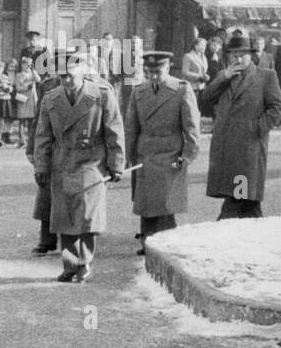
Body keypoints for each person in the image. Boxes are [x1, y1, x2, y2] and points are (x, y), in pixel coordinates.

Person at [32, 45, 125, 282]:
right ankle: (70, 264)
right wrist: (41, 166)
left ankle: (84, 263)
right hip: (62, 162)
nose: (66, 81)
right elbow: (43, 135)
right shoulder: (51, 98)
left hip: (91, 162)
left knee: (86, 217)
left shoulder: (102, 94)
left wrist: (116, 164)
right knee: (65, 216)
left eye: (70, 76)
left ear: (81, 71)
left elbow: (114, 131)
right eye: (61, 76)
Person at [124, 51, 201, 255]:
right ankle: (148, 242)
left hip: (170, 154)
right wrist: (128, 156)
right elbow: (131, 127)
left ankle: (165, 245)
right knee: (146, 202)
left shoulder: (181, 90)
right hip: (145, 153)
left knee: (166, 203)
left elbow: (192, 127)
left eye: (157, 71)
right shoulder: (138, 91)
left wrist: (187, 155)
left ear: (167, 68)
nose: (153, 76)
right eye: (148, 72)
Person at [201, 29, 281, 219]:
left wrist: (256, 128)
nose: (237, 59)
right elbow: (206, 97)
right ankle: (260, 243)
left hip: (248, 150)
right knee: (247, 203)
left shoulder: (265, 76)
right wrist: (223, 77)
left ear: (251, 55)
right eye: (234, 55)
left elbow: (276, 108)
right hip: (226, 149)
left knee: (237, 198)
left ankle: (221, 238)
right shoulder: (226, 76)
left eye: (242, 55)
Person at [25, 57, 63, 255]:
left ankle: (70, 239)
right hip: (49, 147)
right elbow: (37, 119)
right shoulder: (46, 87)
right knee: (46, 195)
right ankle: (46, 240)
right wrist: (31, 148)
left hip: (70, 149)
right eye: (58, 67)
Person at [12, 55, 38, 144]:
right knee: (22, 120)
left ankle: (31, 139)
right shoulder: (19, 75)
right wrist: (26, 87)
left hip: (31, 99)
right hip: (23, 99)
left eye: (29, 64)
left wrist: (33, 70)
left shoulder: (32, 74)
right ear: (22, 65)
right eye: (25, 64)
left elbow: (38, 79)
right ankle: (22, 140)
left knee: (31, 121)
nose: (27, 66)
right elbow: (18, 88)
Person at [181, 35, 209, 114]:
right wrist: (199, 77)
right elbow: (184, 72)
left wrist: (206, 76)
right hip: (192, 86)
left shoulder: (204, 57)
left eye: (205, 45)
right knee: (191, 108)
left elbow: (204, 70)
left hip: (201, 87)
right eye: (201, 45)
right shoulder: (188, 56)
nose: (204, 47)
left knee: (198, 108)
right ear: (195, 46)